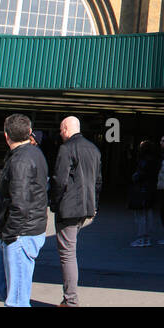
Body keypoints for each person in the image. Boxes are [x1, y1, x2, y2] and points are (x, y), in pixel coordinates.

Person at [0, 114, 49, 307]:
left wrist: (10, 233)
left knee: (16, 299)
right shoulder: (31, 154)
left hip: (20, 234)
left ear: (6, 135)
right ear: (29, 132)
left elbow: (20, 203)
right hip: (21, 231)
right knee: (1, 288)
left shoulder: (21, 160)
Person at [49, 116, 101, 307]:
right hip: (86, 208)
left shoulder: (66, 148)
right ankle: (69, 299)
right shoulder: (94, 149)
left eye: (61, 130)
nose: (60, 133)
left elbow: (59, 180)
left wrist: (54, 203)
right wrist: (94, 205)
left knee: (68, 255)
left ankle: (70, 300)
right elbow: (98, 181)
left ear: (65, 129)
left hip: (69, 209)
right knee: (70, 252)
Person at [127, 139, 159, 246]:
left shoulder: (143, 160)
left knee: (140, 214)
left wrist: (135, 177)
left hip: (142, 189)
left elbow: (140, 174)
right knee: (148, 213)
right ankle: (147, 237)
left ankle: (141, 237)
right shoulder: (155, 159)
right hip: (150, 188)